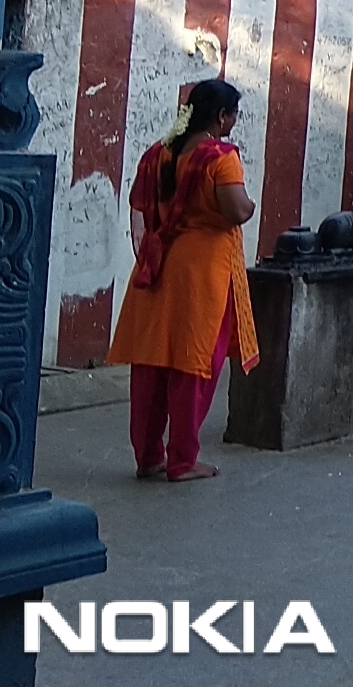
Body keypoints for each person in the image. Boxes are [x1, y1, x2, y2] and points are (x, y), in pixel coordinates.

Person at [107, 78, 260, 482]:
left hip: (157, 267)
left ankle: (149, 457)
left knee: (152, 364)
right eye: (233, 115)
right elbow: (235, 210)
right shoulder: (220, 157)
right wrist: (250, 203)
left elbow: (140, 210)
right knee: (194, 364)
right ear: (222, 117)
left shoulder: (157, 154)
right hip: (201, 270)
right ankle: (183, 461)